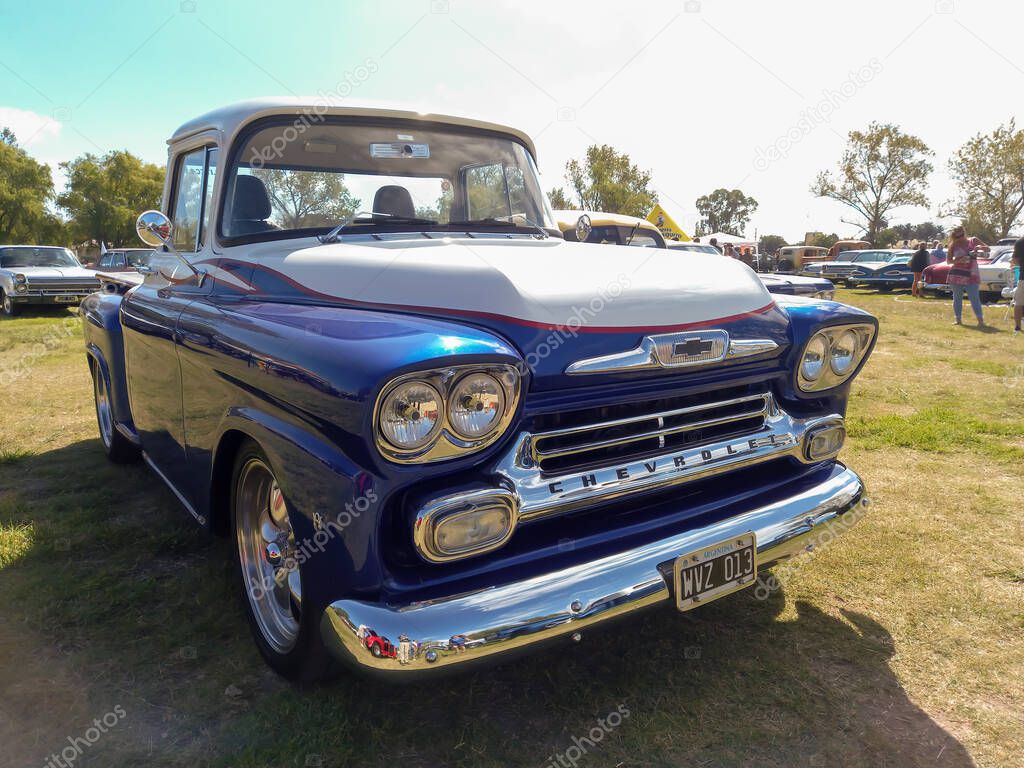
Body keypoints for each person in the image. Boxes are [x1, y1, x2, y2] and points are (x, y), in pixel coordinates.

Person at [946, 226, 985, 327]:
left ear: (964, 233)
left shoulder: (973, 240)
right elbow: (949, 261)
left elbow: (987, 248)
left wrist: (979, 248)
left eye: (962, 235)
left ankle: (980, 321)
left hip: (972, 273)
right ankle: (958, 320)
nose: (960, 238)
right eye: (957, 236)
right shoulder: (953, 245)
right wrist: (959, 260)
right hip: (957, 274)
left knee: (974, 297)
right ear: (954, 236)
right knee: (957, 298)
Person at [1012, 237, 1024, 334]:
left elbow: (1015, 260)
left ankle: (1017, 327)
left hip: (1023, 277)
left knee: (1019, 302)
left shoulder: (1020, 242)